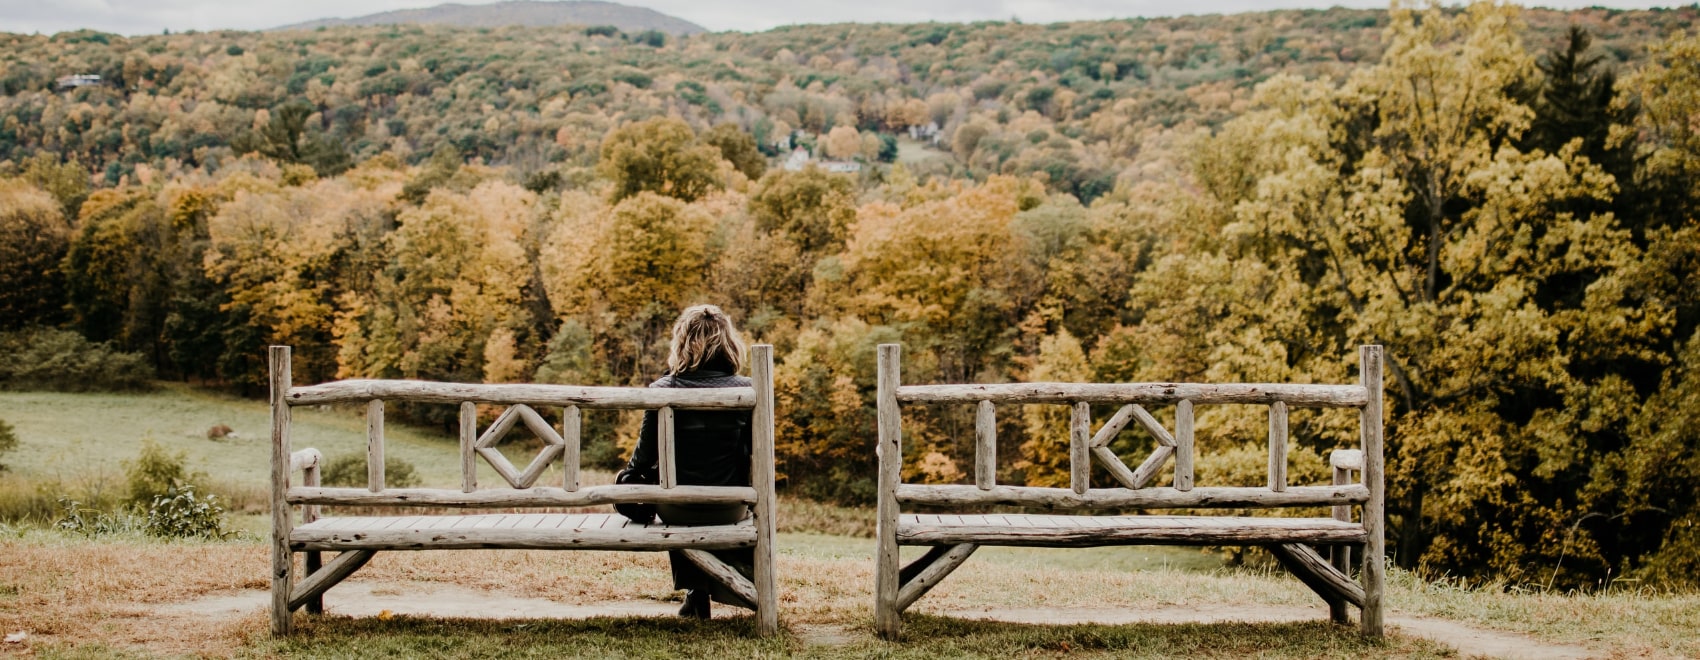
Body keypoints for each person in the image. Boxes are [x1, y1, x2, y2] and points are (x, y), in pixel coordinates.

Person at [625, 303, 755, 620]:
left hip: (675, 507)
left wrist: (626, 479)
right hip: (732, 506)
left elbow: (642, 460)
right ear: (728, 343)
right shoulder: (749, 389)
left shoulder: (662, 389)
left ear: (681, 342)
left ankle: (696, 592)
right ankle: (712, 589)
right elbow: (754, 455)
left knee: (639, 483)